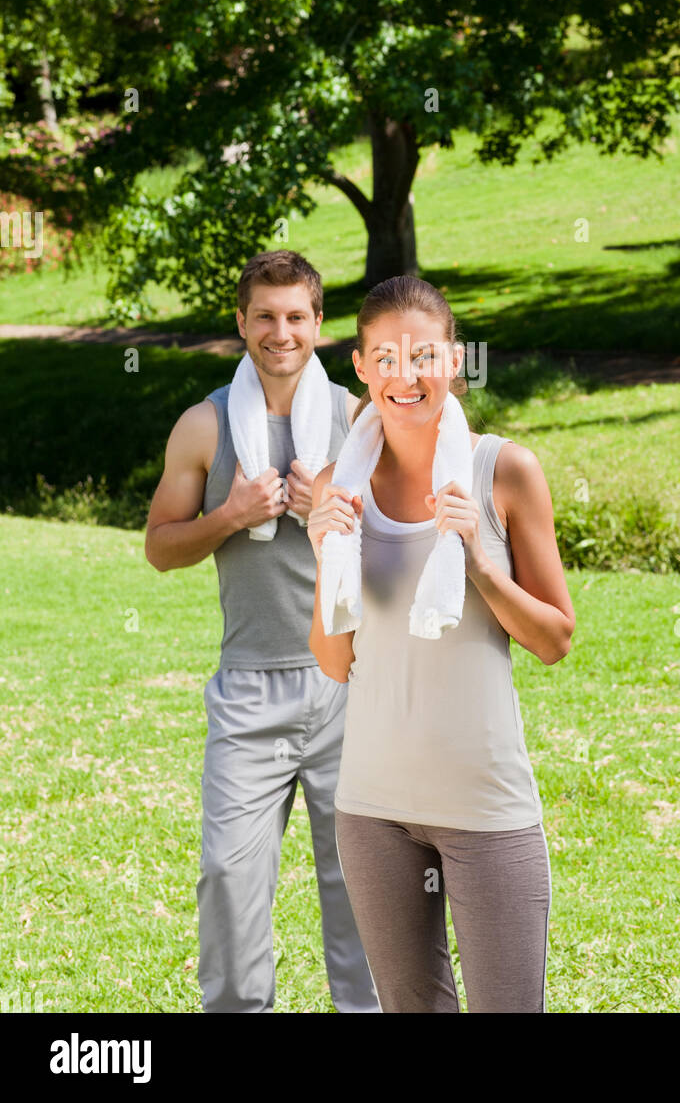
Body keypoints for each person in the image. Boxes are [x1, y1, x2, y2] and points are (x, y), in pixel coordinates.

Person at [306, 275, 575, 1013]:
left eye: (423, 355)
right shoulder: (340, 486)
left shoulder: (504, 472)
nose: (406, 375)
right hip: (372, 808)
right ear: (360, 368)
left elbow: (555, 638)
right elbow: (335, 661)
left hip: (485, 805)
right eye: (385, 358)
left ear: (453, 360)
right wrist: (327, 551)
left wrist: (481, 563)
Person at [144, 250, 379, 1014]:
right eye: (266, 317)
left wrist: (326, 514)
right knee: (227, 879)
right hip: (248, 692)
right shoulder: (205, 425)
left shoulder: (357, 422)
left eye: (297, 317)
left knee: (363, 891)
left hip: (350, 684)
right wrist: (230, 516)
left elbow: (405, 555)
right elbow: (160, 548)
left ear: (318, 325)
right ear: (241, 323)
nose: (282, 332)